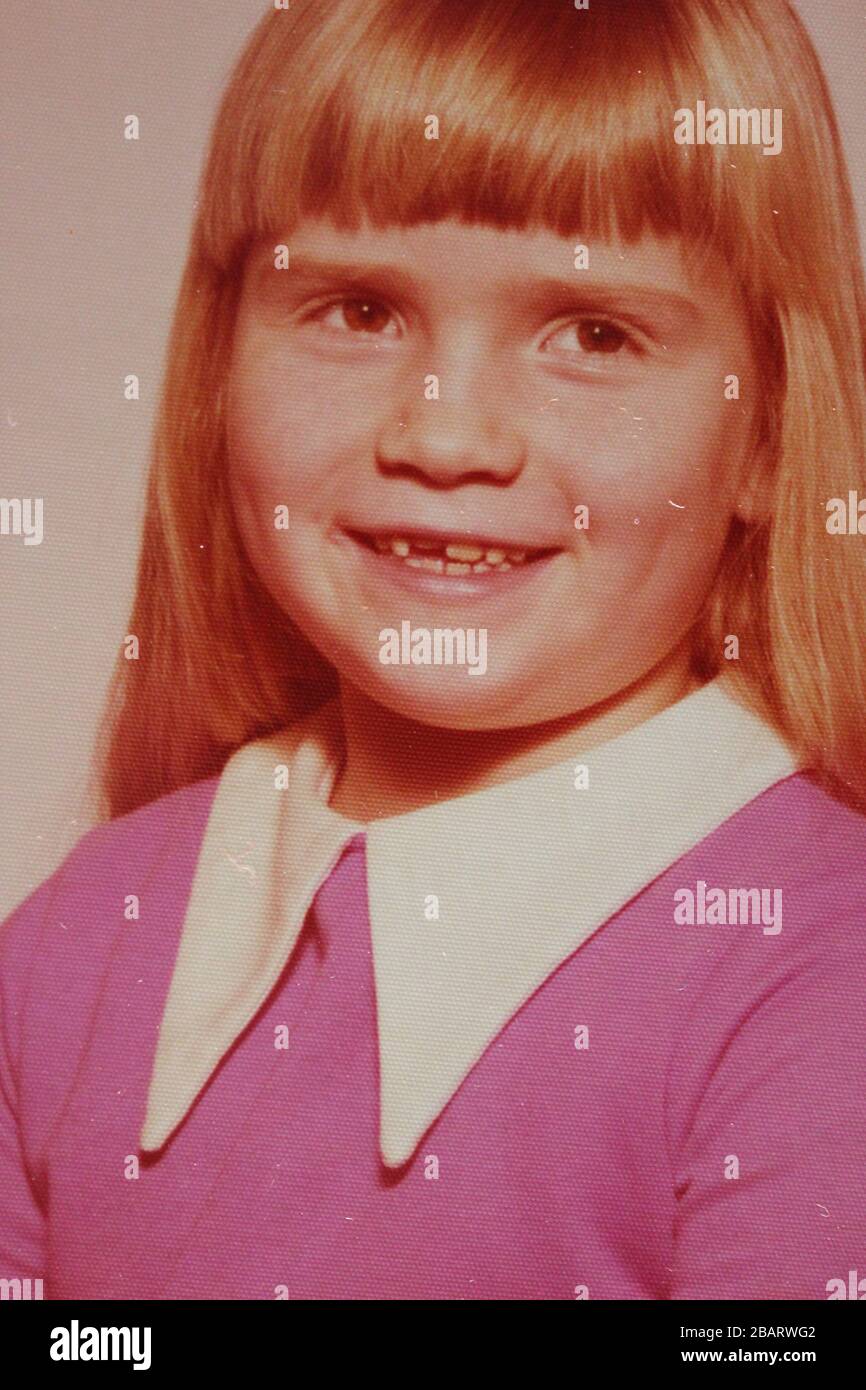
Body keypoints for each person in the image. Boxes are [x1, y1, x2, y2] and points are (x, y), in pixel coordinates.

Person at [2, 0, 865, 1300]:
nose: (446, 436)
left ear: (763, 435)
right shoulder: (86, 928)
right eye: (357, 310)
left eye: (592, 333)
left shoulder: (814, 975)